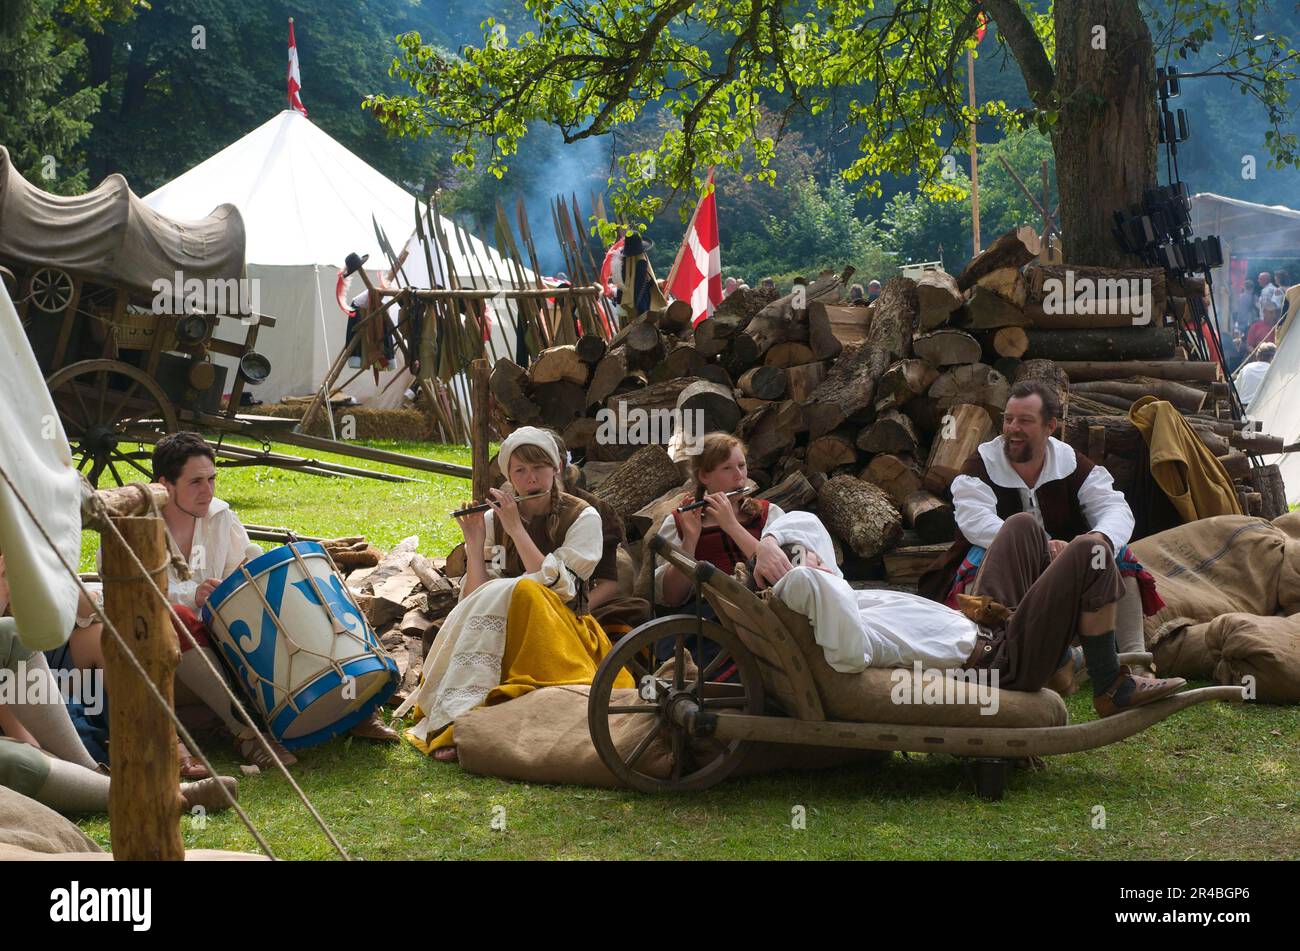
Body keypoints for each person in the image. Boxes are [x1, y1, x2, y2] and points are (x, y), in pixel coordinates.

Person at [756, 512, 1187, 716]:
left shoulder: (845, 593)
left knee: (1022, 526)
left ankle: (1063, 658)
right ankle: (1110, 685)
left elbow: (804, 520)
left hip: (988, 622)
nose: (815, 557)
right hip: (996, 664)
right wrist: (798, 573)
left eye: (812, 553)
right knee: (1093, 551)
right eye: (806, 560)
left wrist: (769, 541)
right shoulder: (837, 619)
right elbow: (819, 606)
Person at [394, 427, 632, 760]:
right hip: (501, 622)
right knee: (512, 593)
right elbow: (474, 598)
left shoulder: (583, 516)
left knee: (526, 590)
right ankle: (456, 724)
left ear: (556, 469)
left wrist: (516, 529)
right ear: (509, 477)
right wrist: (475, 544)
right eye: (520, 470)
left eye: (539, 468)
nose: (531, 478)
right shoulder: (494, 519)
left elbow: (556, 587)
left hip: (563, 626)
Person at [918, 381, 1164, 670]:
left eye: (1025, 421)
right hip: (1003, 568)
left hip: (1065, 565)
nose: (1013, 428)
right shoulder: (981, 465)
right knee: (982, 560)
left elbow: (1114, 507)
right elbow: (976, 521)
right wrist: (1041, 547)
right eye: (1008, 420)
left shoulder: (1070, 462)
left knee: (1114, 555)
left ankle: (1136, 661)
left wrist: (1095, 540)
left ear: (1050, 426)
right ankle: (989, 652)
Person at [0, 616, 237, 815]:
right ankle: (162, 796)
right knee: (19, 762)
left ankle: (91, 770)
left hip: (50, 659)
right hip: (32, 697)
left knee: (15, 631)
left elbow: (81, 608)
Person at [654, 433, 789, 615]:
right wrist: (690, 541)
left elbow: (782, 572)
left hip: (767, 610)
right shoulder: (678, 522)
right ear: (704, 476)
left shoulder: (768, 513)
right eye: (727, 468)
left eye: (741, 466)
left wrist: (732, 526)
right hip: (708, 617)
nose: (739, 476)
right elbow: (672, 597)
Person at [1235, 341, 1276, 408]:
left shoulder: (1247, 367)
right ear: (1272, 357)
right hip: (1264, 408)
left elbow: (1236, 387)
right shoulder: (1273, 370)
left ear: (1258, 355)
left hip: (1244, 409)